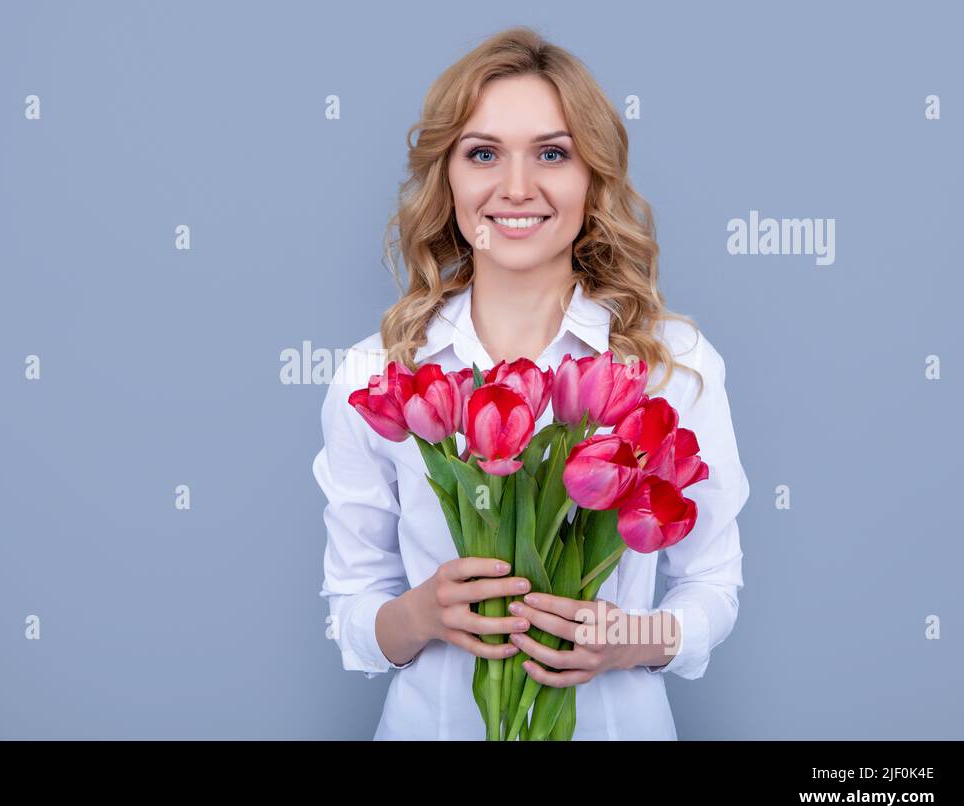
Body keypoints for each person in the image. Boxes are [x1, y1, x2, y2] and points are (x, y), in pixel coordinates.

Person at [312, 27, 751, 740]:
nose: (517, 188)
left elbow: (713, 586)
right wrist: (422, 614)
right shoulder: (382, 374)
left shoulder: (673, 363)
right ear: (446, 177)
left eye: (553, 153)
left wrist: (632, 639)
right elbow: (353, 613)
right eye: (483, 154)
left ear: (593, 178)